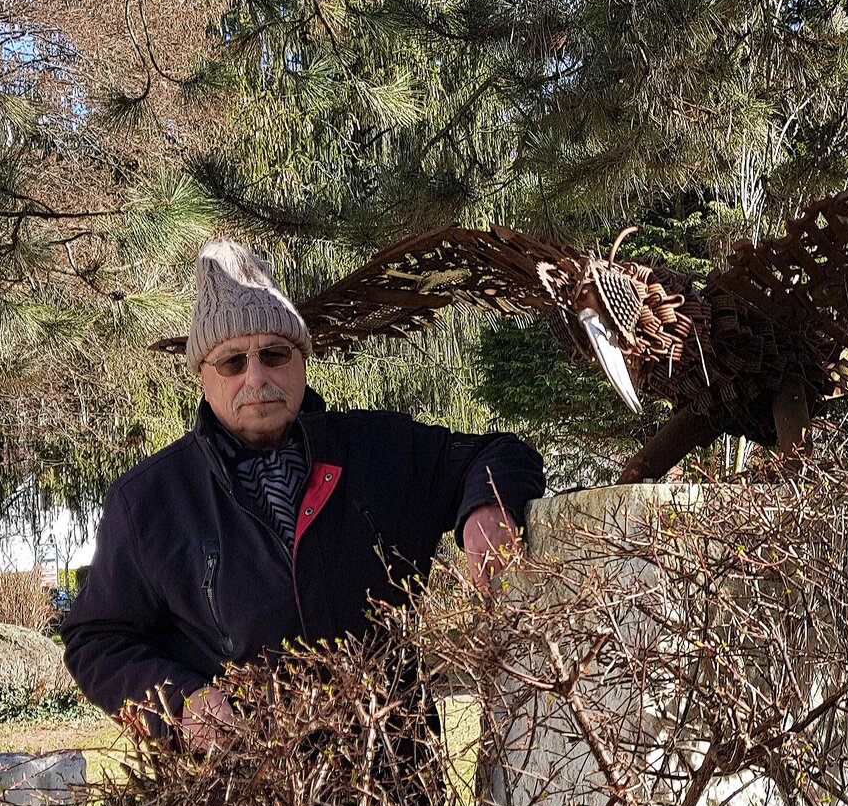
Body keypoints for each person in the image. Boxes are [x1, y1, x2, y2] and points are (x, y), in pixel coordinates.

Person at [63, 239, 545, 746]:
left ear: (302, 361)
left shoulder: (381, 451)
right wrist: (181, 702)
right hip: (242, 797)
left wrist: (488, 507)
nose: (257, 376)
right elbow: (95, 640)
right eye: (232, 362)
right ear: (203, 377)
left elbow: (500, 453)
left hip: (391, 794)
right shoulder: (149, 500)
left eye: (274, 354)